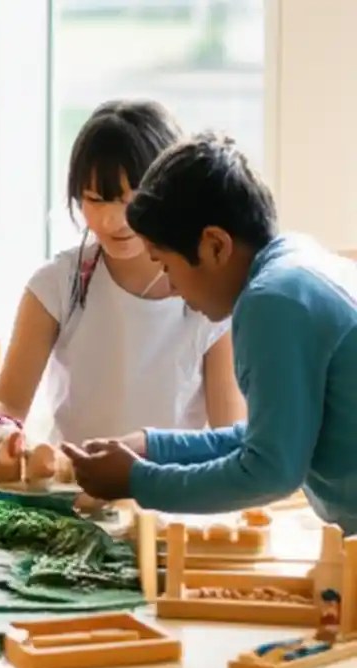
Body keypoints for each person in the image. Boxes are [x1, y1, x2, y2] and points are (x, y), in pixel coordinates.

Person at [64, 132, 357, 535]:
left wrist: (137, 481)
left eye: (165, 265)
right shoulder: (296, 264)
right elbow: (268, 438)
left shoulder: (273, 301)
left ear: (215, 246)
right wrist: (151, 448)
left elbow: (271, 471)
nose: (171, 287)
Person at [0, 100, 245, 479]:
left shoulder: (210, 295)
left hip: (170, 496)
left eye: (129, 199)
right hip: (70, 493)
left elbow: (229, 439)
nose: (112, 220)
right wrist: (1, 435)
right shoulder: (57, 284)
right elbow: (6, 403)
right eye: (95, 199)